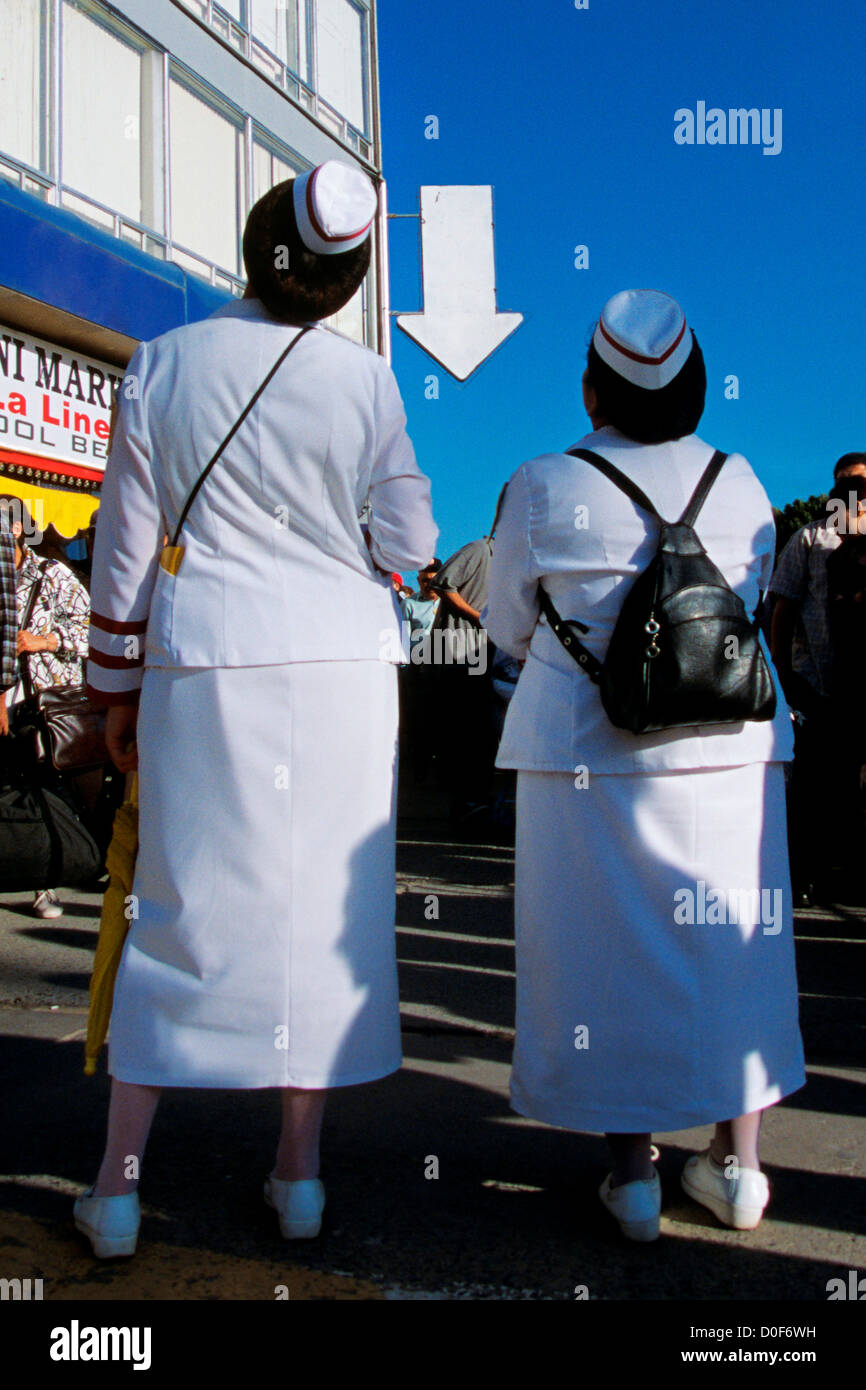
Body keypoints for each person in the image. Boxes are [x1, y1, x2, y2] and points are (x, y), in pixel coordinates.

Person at [74, 160, 437, 1258]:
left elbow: (124, 558)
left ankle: (119, 1188)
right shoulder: (368, 384)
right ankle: (298, 1176)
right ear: (346, 282)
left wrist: (111, 694)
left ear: (252, 242)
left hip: (204, 667)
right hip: (337, 674)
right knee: (316, 928)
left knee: (172, 911)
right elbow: (410, 549)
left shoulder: (161, 364)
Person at [486, 289, 805, 1242]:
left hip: (589, 753)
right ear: (698, 389)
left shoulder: (543, 482)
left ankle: (631, 1176)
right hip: (732, 751)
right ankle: (740, 1168)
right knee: (733, 952)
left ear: (592, 390)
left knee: (604, 957)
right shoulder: (743, 483)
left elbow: (506, 628)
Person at [770, 453, 866, 902]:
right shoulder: (809, 538)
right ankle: (804, 873)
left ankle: (849, 871)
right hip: (818, 679)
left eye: (861, 483)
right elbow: (783, 605)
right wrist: (782, 670)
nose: (854, 492)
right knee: (816, 781)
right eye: (845, 484)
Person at [0, 494, 91, 919]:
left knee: (43, 789)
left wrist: (43, 641)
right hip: (6, 698)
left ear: (17, 529)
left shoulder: (53, 574)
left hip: (43, 703)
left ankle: (45, 881)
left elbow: (91, 633)